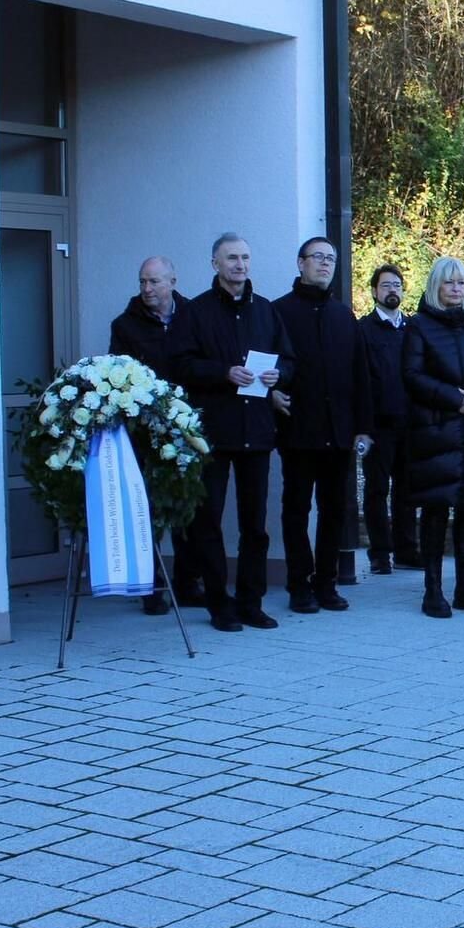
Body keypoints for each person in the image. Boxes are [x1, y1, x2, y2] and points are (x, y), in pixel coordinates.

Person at [167, 232, 294, 632]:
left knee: (255, 525)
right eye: (231, 258)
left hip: (256, 430)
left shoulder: (267, 311)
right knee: (209, 522)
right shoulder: (196, 312)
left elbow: (289, 359)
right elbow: (179, 365)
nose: (240, 265)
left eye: (245, 258)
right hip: (213, 433)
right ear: (215, 264)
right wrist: (223, 373)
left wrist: (279, 375)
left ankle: (251, 601)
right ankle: (219, 603)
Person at [272, 237, 373, 614]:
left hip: (339, 431)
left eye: (331, 259)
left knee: (334, 510)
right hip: (298, 428)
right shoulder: (277, 312)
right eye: (317, 257)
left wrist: (363, 426)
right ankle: (299, 584)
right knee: (296, 509)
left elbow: (360, 374)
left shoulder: (342, 315)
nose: (325, 264)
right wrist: (271, 396)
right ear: (300, 263)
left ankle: (326, 583)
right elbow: (267, 365)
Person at [402, 256, 464, 617]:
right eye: (449, 283)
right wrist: (456, 399)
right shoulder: (419, 326)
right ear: (436, 286)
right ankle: (433, 590)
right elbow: (412, 375)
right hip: (436, 431)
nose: (457, 288)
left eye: (461, 282)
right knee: (435, 510)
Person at [109, 255, 193, 616]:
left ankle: (189, 583)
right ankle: (152, 586)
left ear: (172, 281)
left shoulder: (193, 316)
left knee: (189, 505)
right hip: (145, 430)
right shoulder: (125, 325)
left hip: (188, 426)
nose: (146, 289)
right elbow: (119, 374)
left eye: (154, 282)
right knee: (150, 508)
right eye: (142, 281)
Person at [359, 264, 415, 574]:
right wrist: (363, 428)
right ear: (374, 291)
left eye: (397, 285)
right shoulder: (363, 330)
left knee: (407, 489)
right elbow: (360, 380)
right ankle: (380, 554)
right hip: (378, 426)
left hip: (409, 424)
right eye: (386, 285)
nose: (392, 290)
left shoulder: (412, 328)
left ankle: (407, 551)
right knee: (376, 490)